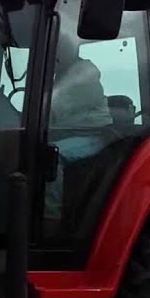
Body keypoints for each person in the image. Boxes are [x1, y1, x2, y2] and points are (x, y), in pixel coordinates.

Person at [44, 31, 112, 222]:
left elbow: (52, 110)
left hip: (92, 135)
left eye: (56, 49)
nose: (53, 54)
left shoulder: (83, 74)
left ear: (67, 50)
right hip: (67, 132)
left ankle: (50, 220)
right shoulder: (62, 74)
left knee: (51, 155)